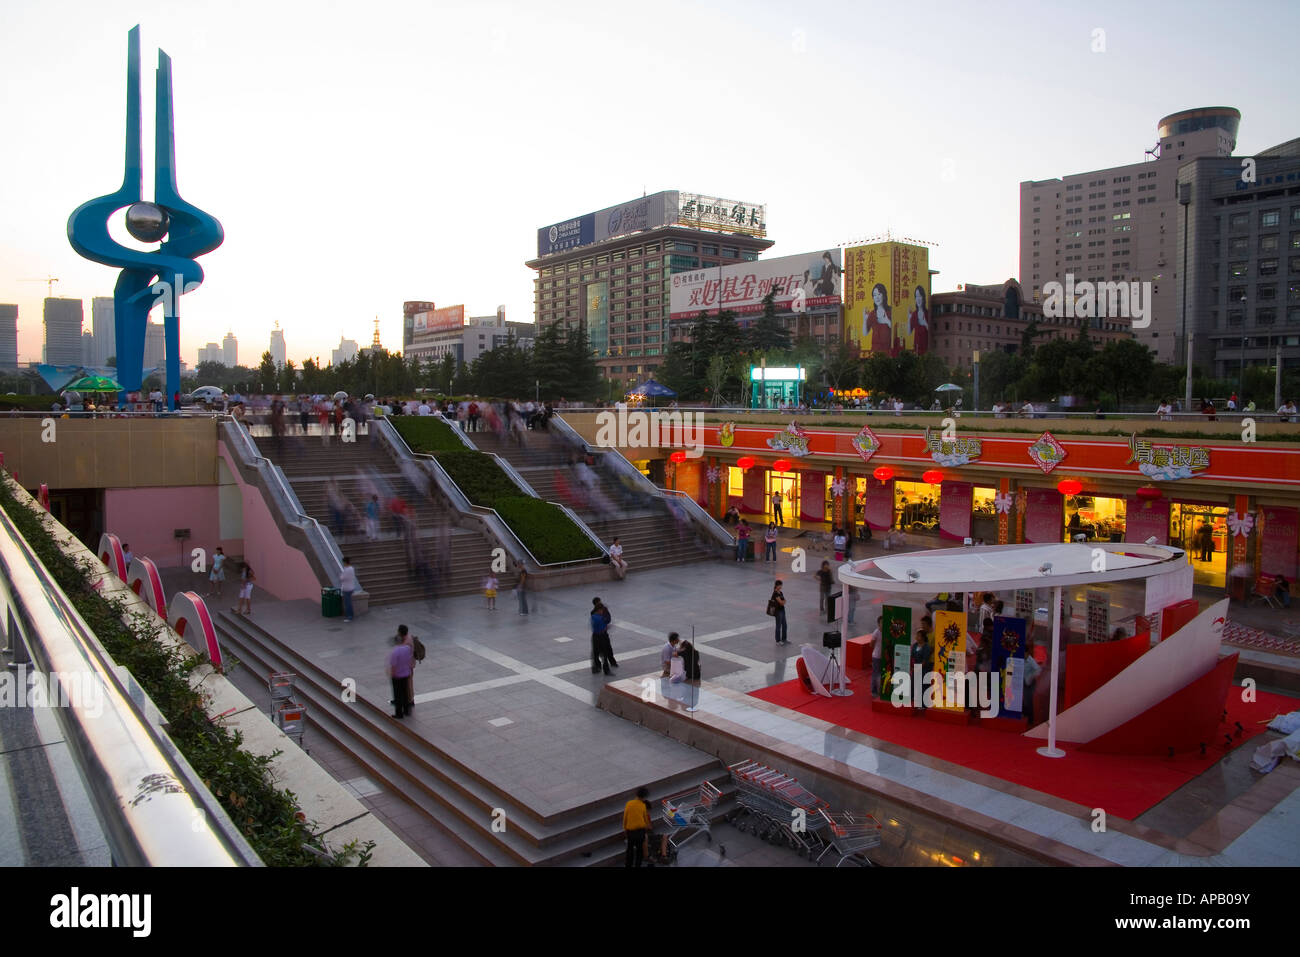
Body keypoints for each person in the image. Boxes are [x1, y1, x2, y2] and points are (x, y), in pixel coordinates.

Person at [388, 627, 414, 719]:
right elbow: (409, 660)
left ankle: (399, 713)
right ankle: (407, 710)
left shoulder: (395, 652)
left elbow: (393, 666)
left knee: (397, 694)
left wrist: (392, 674)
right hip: (406, 674)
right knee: (405, 692)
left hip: (398, 676)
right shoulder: (407, 648)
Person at [623, 786, 652, 868]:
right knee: (639, 851)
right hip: (640, 832)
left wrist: (625, 829)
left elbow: (625, 818)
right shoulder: (643, 806)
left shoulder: (629, 803)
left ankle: (628, 865)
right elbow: (645, 820)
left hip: (630, 831)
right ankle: (637, 865)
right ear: (645, 796)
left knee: (630, 850)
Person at [862, 282, 893, 355]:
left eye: (879, 294)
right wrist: (865, 320)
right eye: (874, 295)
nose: (877, 297)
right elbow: (865, 333)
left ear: (884, 295)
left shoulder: (891, 311)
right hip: (874, 352)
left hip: (888, 352)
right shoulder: (872, 314)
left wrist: (887, 321)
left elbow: (896, 329)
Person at [591, 597, 616, 674]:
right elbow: (603, 628)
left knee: (595, 652)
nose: (603, 611)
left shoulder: (593, 616)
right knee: (604, 653)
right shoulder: (600, 618)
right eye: (602, 610)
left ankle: (595, 668)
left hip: (595, 636)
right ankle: (606, 670)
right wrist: (607, 626)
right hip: (601, 636)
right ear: (599, 610)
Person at [906, 286, 930, 355]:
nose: (918, 299)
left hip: (926, 349)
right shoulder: (914, 314)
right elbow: (909, 332)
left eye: (920, 296)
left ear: (923, 297)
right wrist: (909, 318)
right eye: (916, 296)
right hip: (916, 349)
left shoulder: (927, 313)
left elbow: (931, 331)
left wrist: (925, 323)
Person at [770, 580, 788, 645]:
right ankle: (778, 640)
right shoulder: (775, 593)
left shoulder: (780, 592)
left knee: (785, 625)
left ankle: (784, 639)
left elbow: (784, 601)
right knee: (778, 626)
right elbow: (781, 602)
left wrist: (783, 602)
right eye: (780, 585)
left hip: (782, 610)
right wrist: (783, 602)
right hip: (778, 612)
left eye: (781, 585)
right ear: (777, 585)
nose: (781, 586)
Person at [869, 616, 884, 697]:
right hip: (876, 656)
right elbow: (871, 644)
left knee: (881, 673)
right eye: (882, 622)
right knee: (876, 674)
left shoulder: (887, 631)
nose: (883, 624)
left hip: (884, 656)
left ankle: (881, 689)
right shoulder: (876, 632)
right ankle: (874, 691)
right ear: (878, 624)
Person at [339, 556, 357, 622]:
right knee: (348, 602)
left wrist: (342, 574)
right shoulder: (351, 568)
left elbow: (342, 578)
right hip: (351, 587)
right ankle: (350, 615)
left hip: (347, 588)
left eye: (343, 562)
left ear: (345, 562)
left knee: (348, 603)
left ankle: (349, 616)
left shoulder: (347, 570)